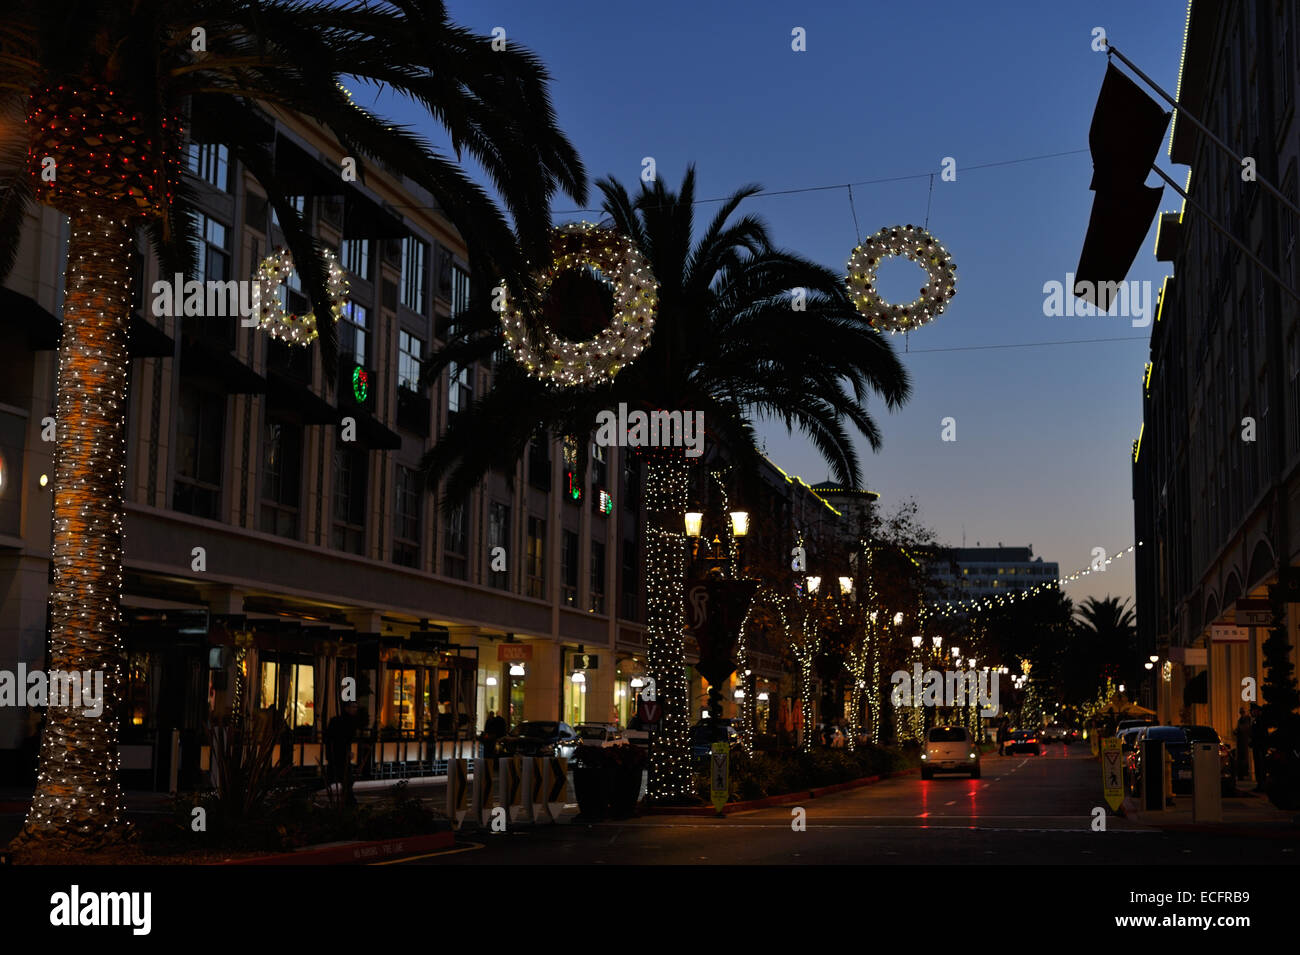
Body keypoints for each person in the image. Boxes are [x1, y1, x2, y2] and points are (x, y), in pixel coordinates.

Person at [325, 701, 359, 807]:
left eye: (356, 707)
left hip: (336, 754)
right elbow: (343, 739)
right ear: (346, 708)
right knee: (345, 779)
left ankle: (349, 800)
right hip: (340, 754)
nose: (355, 709)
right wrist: (347, 752)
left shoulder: (338, 720)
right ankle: (350, 802)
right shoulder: (347, 722)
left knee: (340, 779)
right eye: (353, 707)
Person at [1250, 703, 1267, 788]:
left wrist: (1254, 742)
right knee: (1258, 765)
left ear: (1257, 711)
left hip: (1260, 747)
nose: (1251, 713)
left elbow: (1260, 734)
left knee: (1260, 765)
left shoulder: (1260, 721)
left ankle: (1261, 784)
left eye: (1252, 711)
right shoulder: (1256, 720)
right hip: (1258, 746)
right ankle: (1260, 783)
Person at [1235, 707, 1252, 780]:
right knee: (1240, 758)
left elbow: (1245, 728)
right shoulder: (1240, 720)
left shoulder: (1246, 719)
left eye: (1242, 712)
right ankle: (1241, 774)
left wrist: (1238, 730)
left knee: (1244, 758)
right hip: (1240, 741)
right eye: (1241, 712)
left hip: (1244, 741)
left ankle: (1244, 773)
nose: (1241, 713)